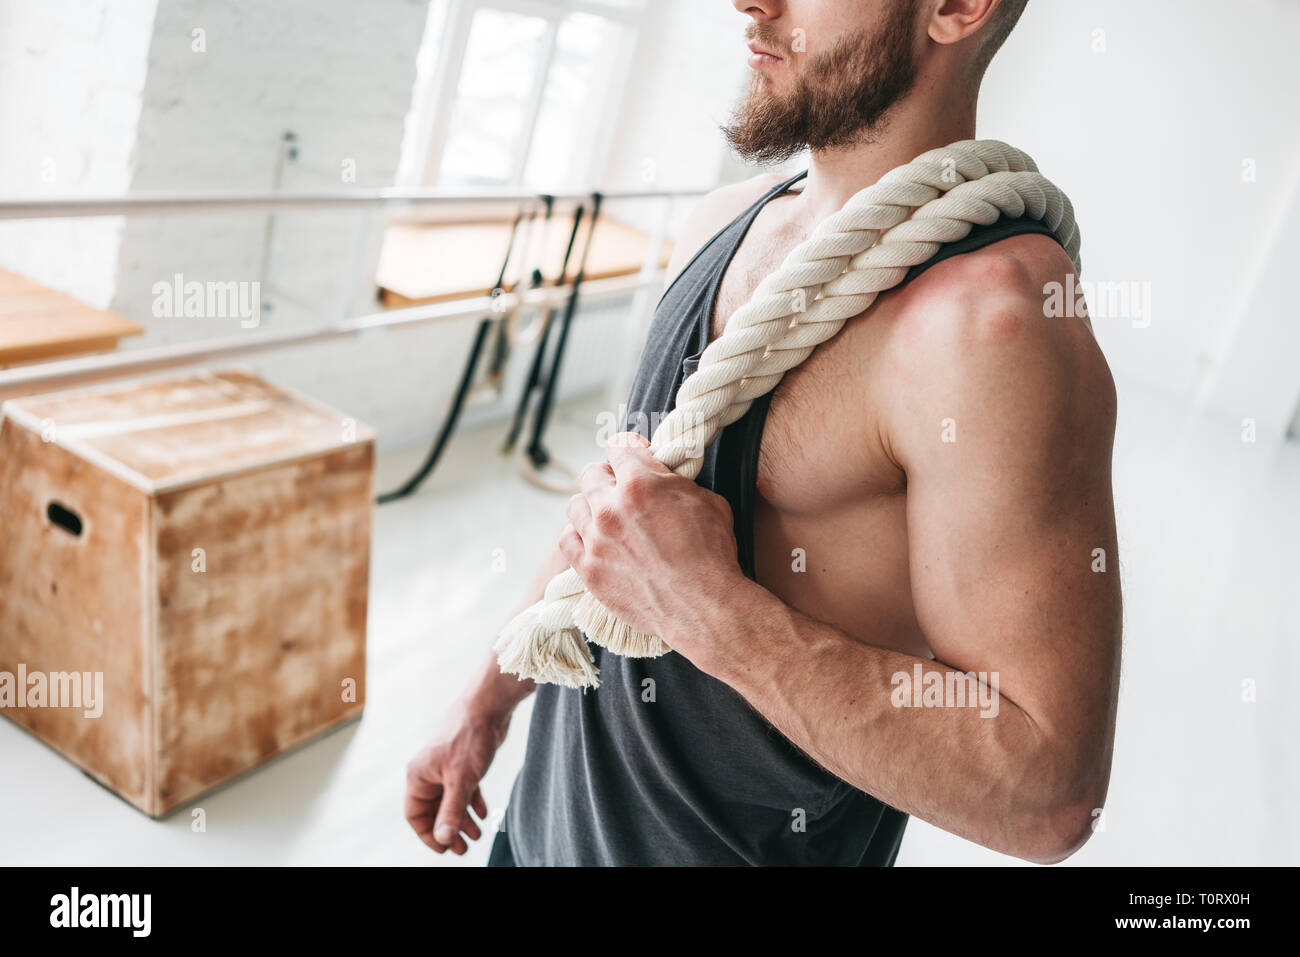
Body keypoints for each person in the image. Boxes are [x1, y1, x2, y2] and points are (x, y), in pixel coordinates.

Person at [406, 0, 1121, 866]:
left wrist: (713, 610)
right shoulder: (722, 219)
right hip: (538, 835)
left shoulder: (992, 326)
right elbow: (623, 506)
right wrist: (488, 697)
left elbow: (1050, 795)